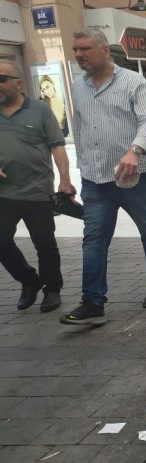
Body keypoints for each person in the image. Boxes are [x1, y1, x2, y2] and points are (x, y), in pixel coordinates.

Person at [62, 29, 146, 325]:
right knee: (93, 239)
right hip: (95, 179)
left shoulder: (133, 82)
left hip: (132, 176)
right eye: (75, 49)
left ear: (105, 50)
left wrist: (135, 150)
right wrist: (78, 169)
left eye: (85, 48)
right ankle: (93, 302)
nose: (79, 54)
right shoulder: (78, 86)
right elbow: (80, 128)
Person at [0, 59, 75, 313]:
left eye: (1, 79)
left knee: (44, 243)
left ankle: (52, 290)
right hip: (3, 194)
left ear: (18, 83)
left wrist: (64, 179)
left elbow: (57, 146)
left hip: (37, 191)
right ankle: (30, 281)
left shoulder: (40, 111)